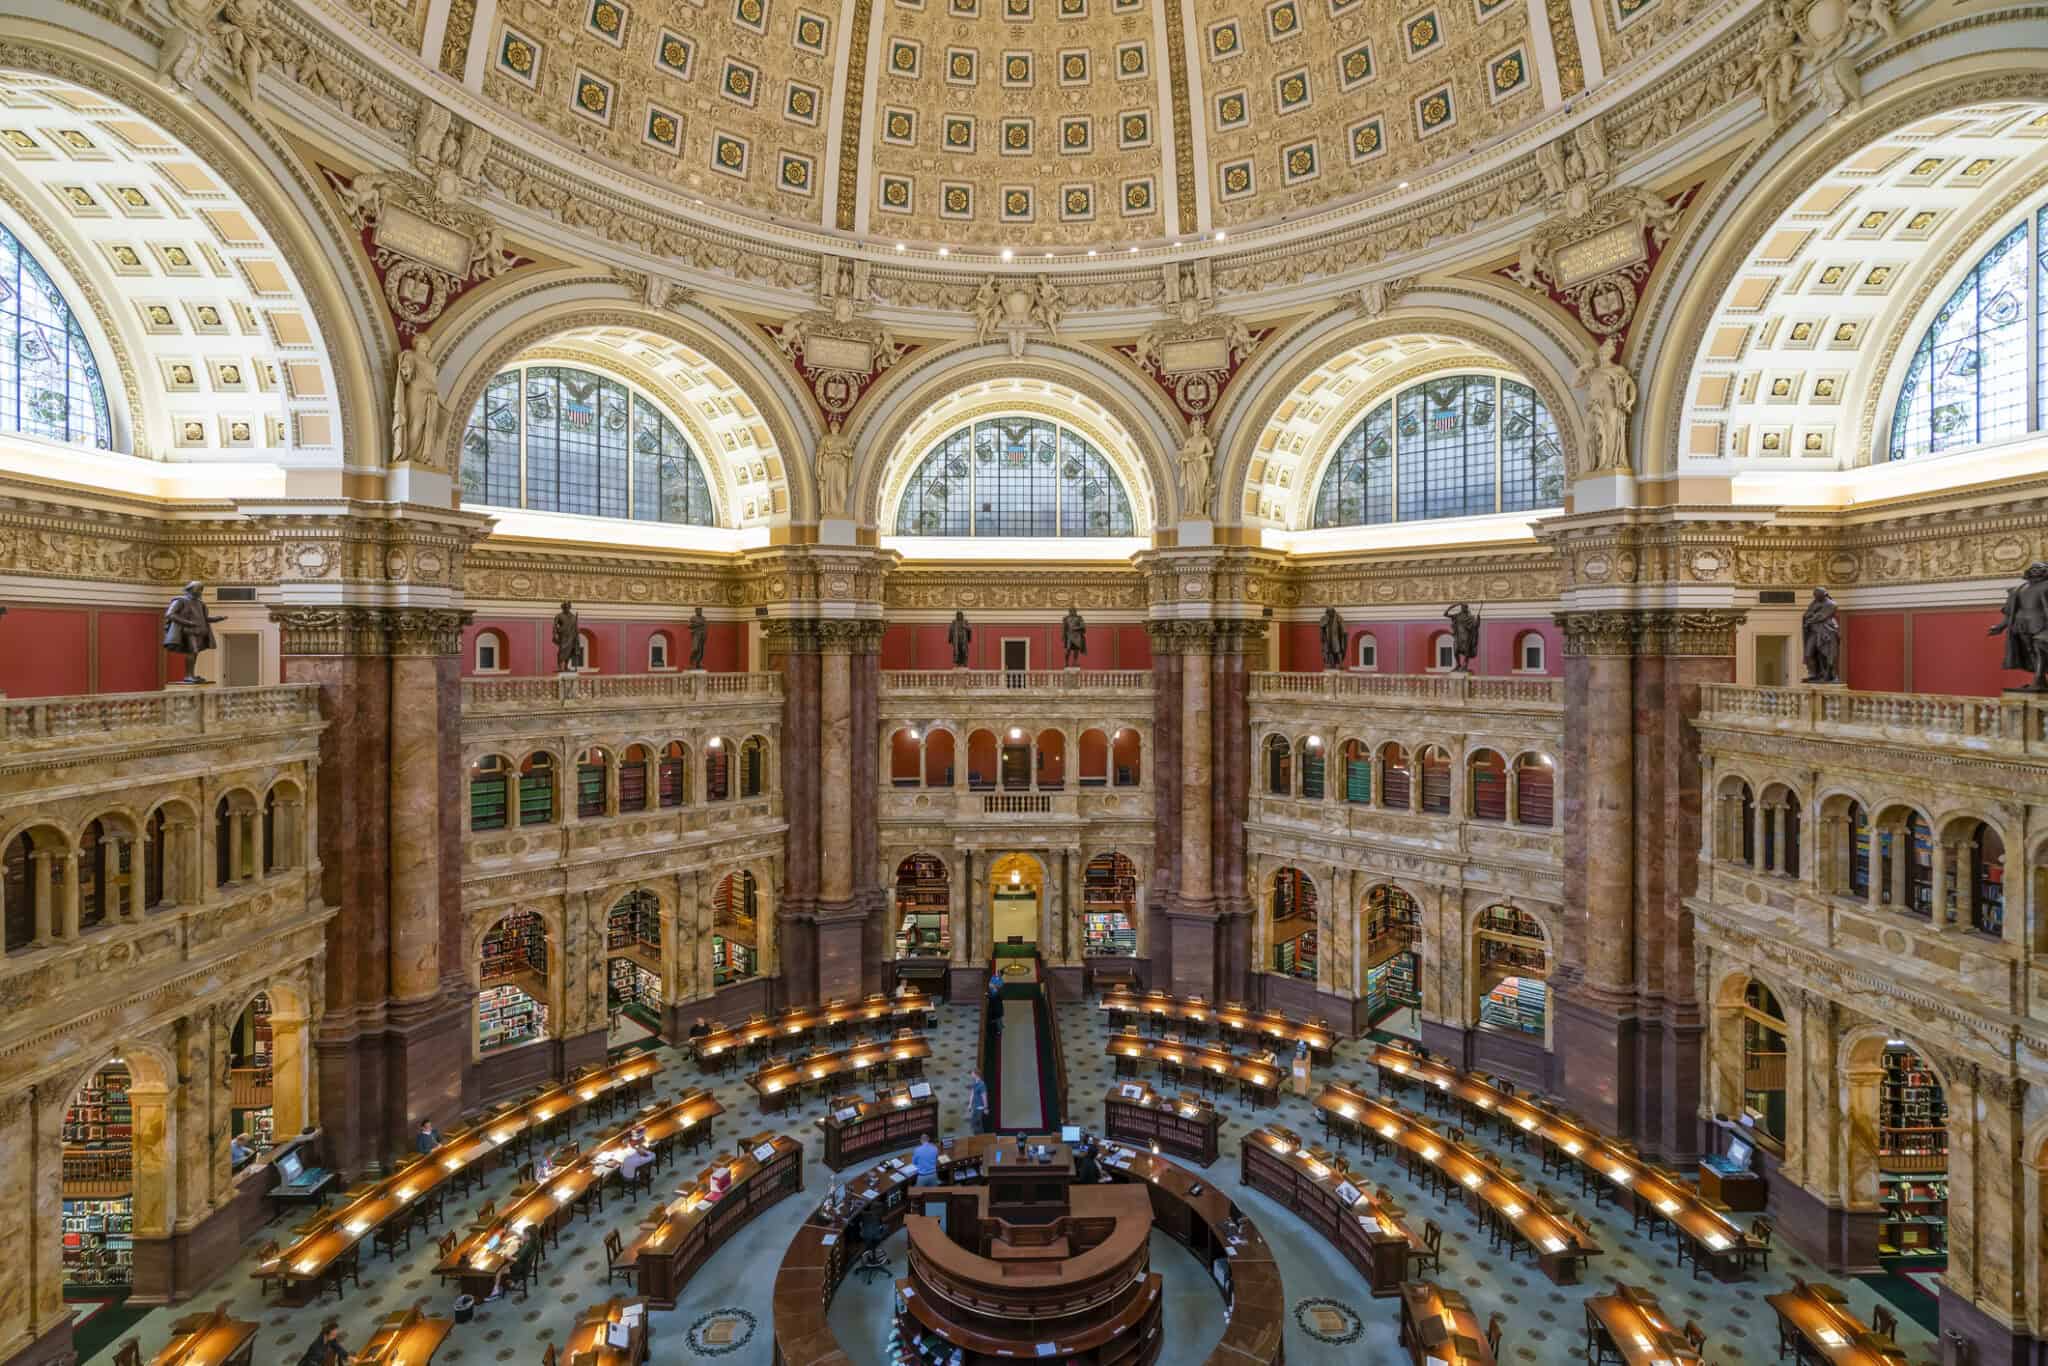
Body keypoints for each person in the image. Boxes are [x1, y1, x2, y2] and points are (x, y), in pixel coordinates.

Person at [483, 1228, 526, 1301]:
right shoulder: (522, 1244)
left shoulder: (519, 1248)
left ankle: (495, 1292)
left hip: (516, 1268)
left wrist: (505, 1255)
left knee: (498, 1272)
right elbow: (513, 1232)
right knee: (501, 1265)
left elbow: (513, 1259)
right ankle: (510, 1282)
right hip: (517, 1264)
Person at [967, 1069, 989, 1134]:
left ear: (976, 1074)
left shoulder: (982, 1084)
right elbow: (972, 1094)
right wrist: (970, 1105)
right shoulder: (974, 1084)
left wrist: (986, 1108)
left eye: (972, 1073)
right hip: (975, 1106)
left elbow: (984, 1096)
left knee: (977, 1125)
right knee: (974, 1125)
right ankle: (979, 1139)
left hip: (980, 1107)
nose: (971, 1075)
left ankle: (981, 1139)